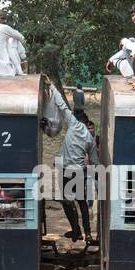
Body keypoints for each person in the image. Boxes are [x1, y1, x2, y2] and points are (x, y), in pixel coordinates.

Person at [46, 82, 97, 243]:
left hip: (67, 170)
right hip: (80, 171)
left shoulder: (73, 125)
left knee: (67, 201)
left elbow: (61, 104)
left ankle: (76, 231)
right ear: (86, 123)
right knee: (81, 201)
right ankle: (87, 233)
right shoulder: (90, 138)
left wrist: (52, 86)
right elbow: (95, 162)